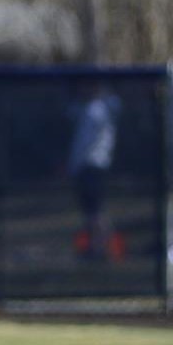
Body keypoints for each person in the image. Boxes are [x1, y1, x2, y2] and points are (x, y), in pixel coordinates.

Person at [68, 84, 122, 262]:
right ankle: (96, 248)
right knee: (92, 212)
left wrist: (76, 164)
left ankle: (102, 249)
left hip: (92, 166)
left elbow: (86, 144)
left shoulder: (96, 110)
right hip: (90, 166)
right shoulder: (95, 109)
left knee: (96, 212)